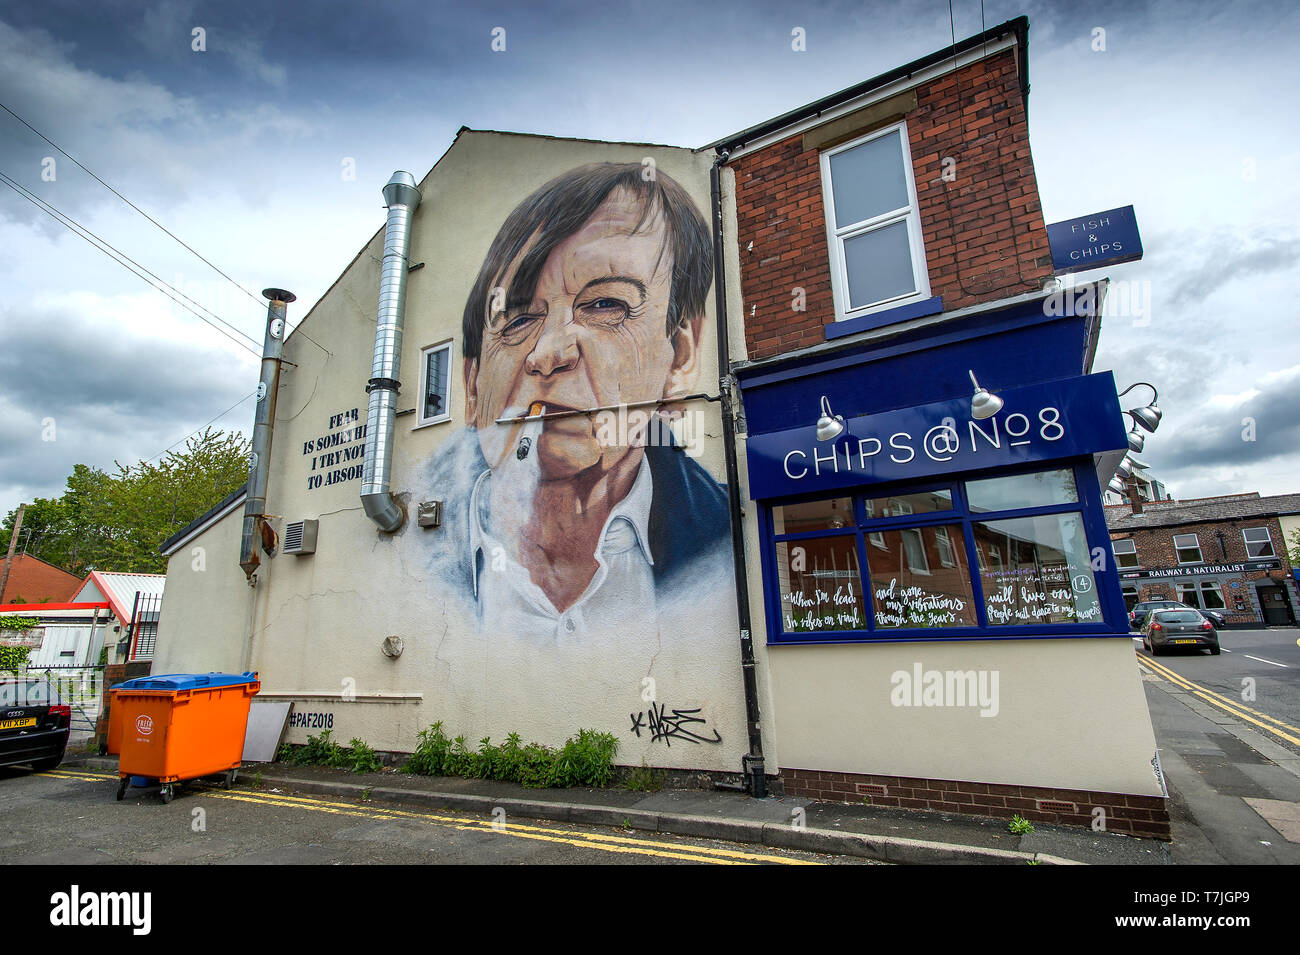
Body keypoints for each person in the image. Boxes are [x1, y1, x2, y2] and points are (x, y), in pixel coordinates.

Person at [425, 162, 731, 638]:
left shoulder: (724, 547)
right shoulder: (420, 556)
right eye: (517, 320)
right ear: (470, 385)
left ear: (680, 358)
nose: (548, 353)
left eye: (606, 304)